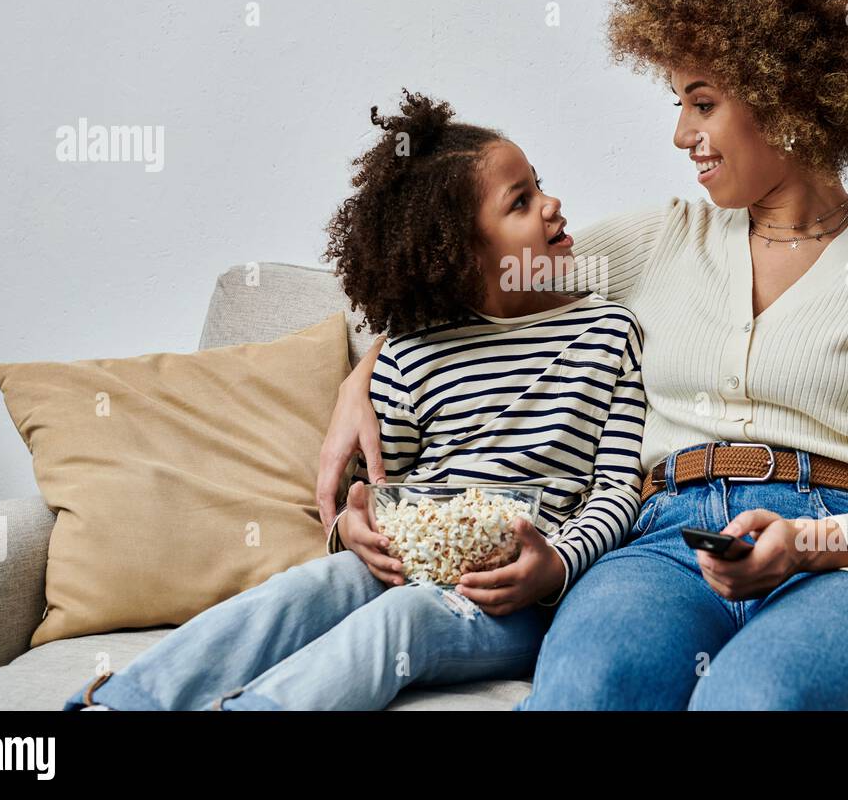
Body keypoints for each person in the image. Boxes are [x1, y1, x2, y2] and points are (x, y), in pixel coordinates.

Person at [319, 0, 848, 710]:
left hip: (845, 560)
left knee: (752, 698)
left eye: (703, 104)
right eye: (679, 102)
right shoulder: (659, 242)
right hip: (661, 547)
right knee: (583, 688)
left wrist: (812, 542)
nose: (682, 134)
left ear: (786, 96)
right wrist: (365, 369)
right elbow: (468, 276)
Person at [63, 89, 645, 710]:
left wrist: (553, 566)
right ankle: (123, 702)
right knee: (305, 588)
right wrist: (352, 528)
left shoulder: (607, 334)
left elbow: (617, 488)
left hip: (508, 598)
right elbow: (374, 489)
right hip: (403, 561)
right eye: (521, 202)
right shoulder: (410, 355)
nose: (552, 204)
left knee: (403, 619)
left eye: (539, 185)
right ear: (464, 251)